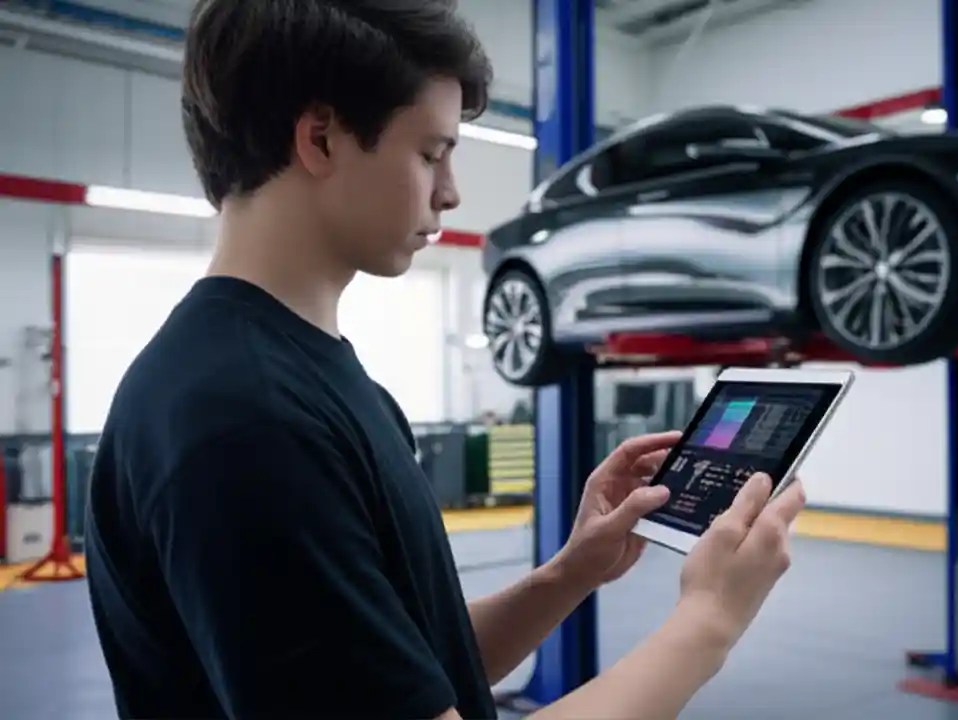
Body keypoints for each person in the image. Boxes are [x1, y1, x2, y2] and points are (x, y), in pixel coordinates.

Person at [83, 1, 804, 718]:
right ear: (321, 139)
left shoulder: (306, 379)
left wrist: (569, 573)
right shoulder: (245, 420)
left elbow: (406, 671)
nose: (451, 192)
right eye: (431, 154)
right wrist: (707, 624)